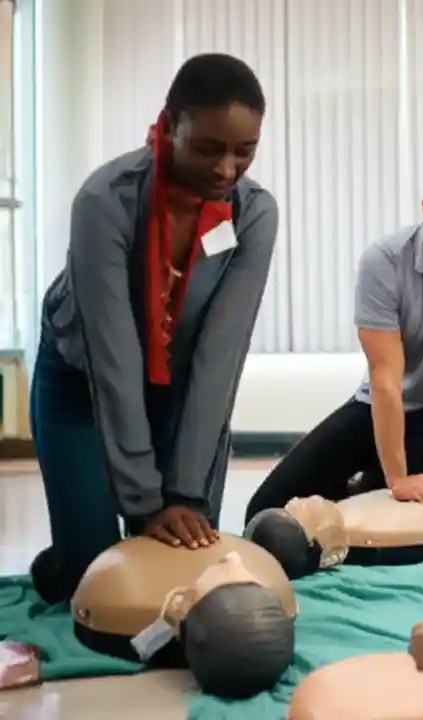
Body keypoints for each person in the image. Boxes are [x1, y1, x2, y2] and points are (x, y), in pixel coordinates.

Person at [28, 53, 277, 604]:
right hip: (81, 386)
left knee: (180, 572)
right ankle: (71, 554)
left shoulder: (255, 213)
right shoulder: (105, 201)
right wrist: (144, 504)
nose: (227, 169)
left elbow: (220, 356)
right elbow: (112, 358)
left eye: (245, 150)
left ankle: (93, 534)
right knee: (98, 586)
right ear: (169, 126)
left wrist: (184, 492)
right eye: (209, 148)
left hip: (179, 390)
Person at [244, 152, 423, 526]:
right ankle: (363, 487)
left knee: (407, 529)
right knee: (265, 514)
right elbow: (385, 379)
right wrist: (397, 480)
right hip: (379, 404)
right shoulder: (383, 261)